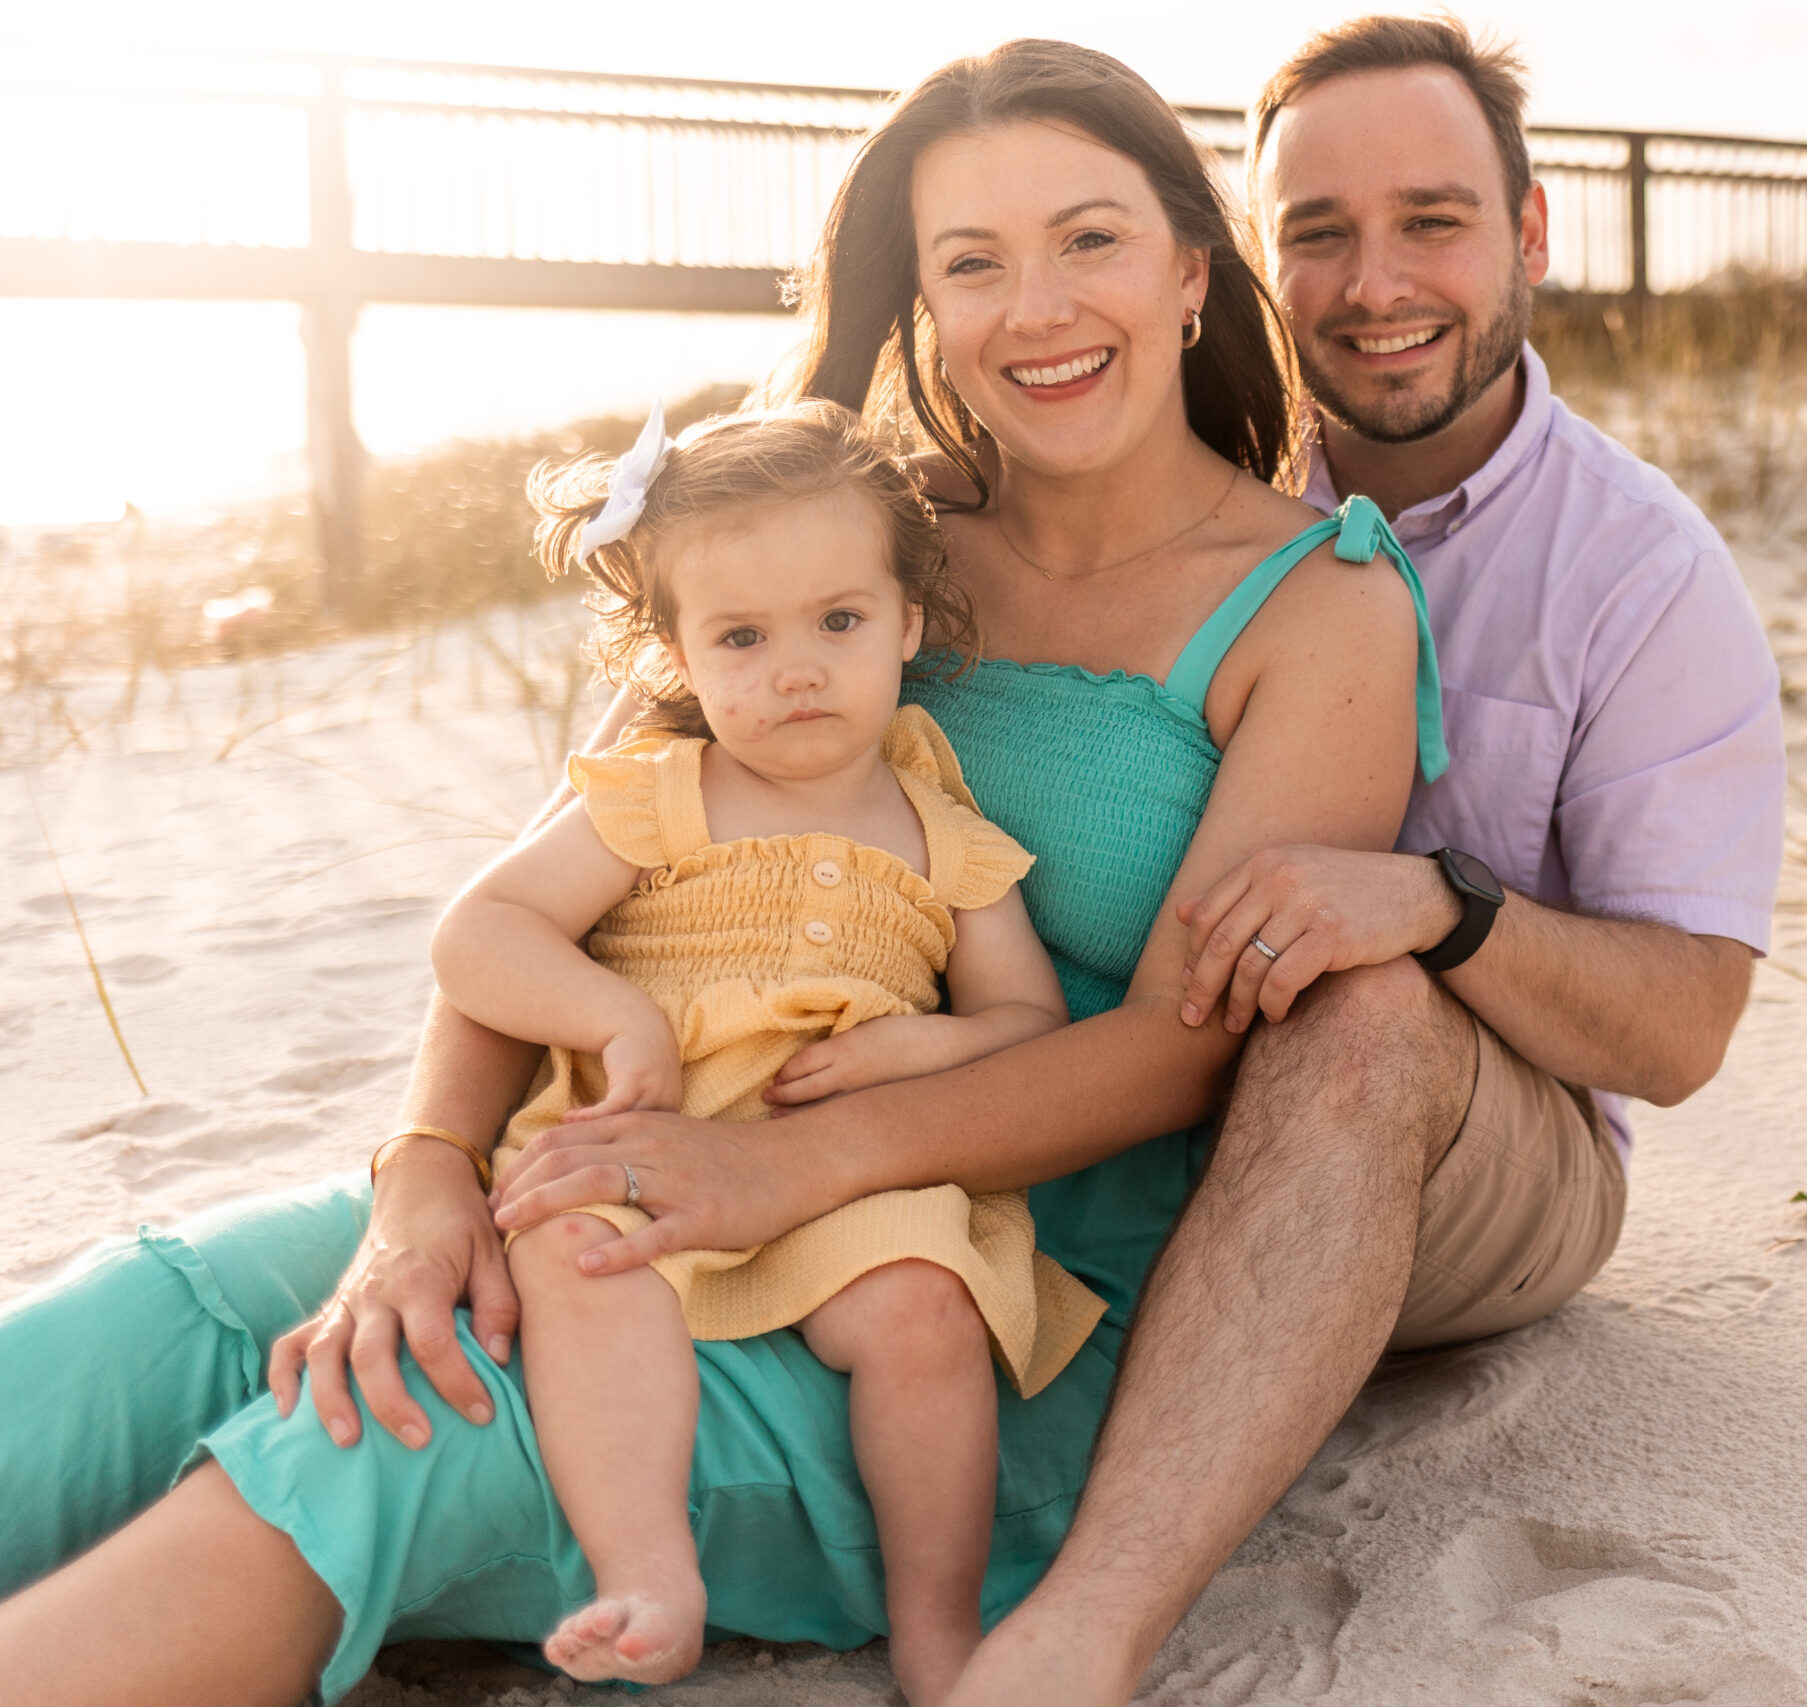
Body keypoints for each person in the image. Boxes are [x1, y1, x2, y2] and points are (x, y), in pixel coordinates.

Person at [0, 41, 1440, 1705]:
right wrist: (419, 1181)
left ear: (1193, 269)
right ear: (923, 299)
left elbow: (1189, 1043)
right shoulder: (820, 536)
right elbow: (568, 867)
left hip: (964, 1306)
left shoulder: (1321, 604)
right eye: (973, 261)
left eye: (1089, 239)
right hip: (640, 1157)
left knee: (383, 1427)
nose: (1034, 306)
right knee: (182, 1312)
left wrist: (779, 1174)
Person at [943, 18, 1784, 1703]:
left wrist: (1444, 909)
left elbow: (1681, 1035)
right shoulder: (1172, 479)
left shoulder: (1638, 574)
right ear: (1248, 262)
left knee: (1363, 1017)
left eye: (1434, 220)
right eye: (1317, 231)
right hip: (1138, 1085)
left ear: (1530, 236)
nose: (1374, 280)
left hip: (1485, 1153)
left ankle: (1081, 1635)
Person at [432, 399, 1104, 1699]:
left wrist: (922, 1051)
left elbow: (1031, 1026)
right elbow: (483, 933)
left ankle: (937, 1626)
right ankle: (647, 1574)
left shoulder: (942, 831)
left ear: (909, 622)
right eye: (740, 636)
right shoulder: (657, 794)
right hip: (646, 1141)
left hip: (844, 1180)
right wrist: (615, 1015)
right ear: (675, 654)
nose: (794, 670)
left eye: (838, 623)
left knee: (927, 1310)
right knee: (576, 1252)